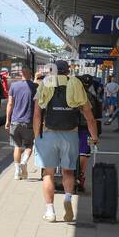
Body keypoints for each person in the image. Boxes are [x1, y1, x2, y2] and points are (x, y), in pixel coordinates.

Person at [32, 60, 99, 222]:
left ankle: (50, 211)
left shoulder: (45, 84)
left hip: (48, 134)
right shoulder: (75, 83)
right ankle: (68, 198)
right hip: (70, 134)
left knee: (48, 173)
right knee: (68, 171)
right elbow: (89, 116)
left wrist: (36, 137)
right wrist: (94, 137)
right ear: (67, 71)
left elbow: (36, 114)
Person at [4, 68, 37, 180]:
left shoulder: (14, 86)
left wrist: (7, 120)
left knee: (17, 146)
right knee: (29, 145)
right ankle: (24, 161)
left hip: (15, 121)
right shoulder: (35, 87)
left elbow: (10, 104)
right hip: (29, 122)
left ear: (20, 74)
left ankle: (17, 171)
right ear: (31, 74)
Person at [75, 73, 104, 192]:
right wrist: (95, 136)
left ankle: (70, 176)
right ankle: (80, 177)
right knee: (84, 154)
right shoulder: (91, 96)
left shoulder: (68, 94)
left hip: (69, 128)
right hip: (85, 129)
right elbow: (94, 118)